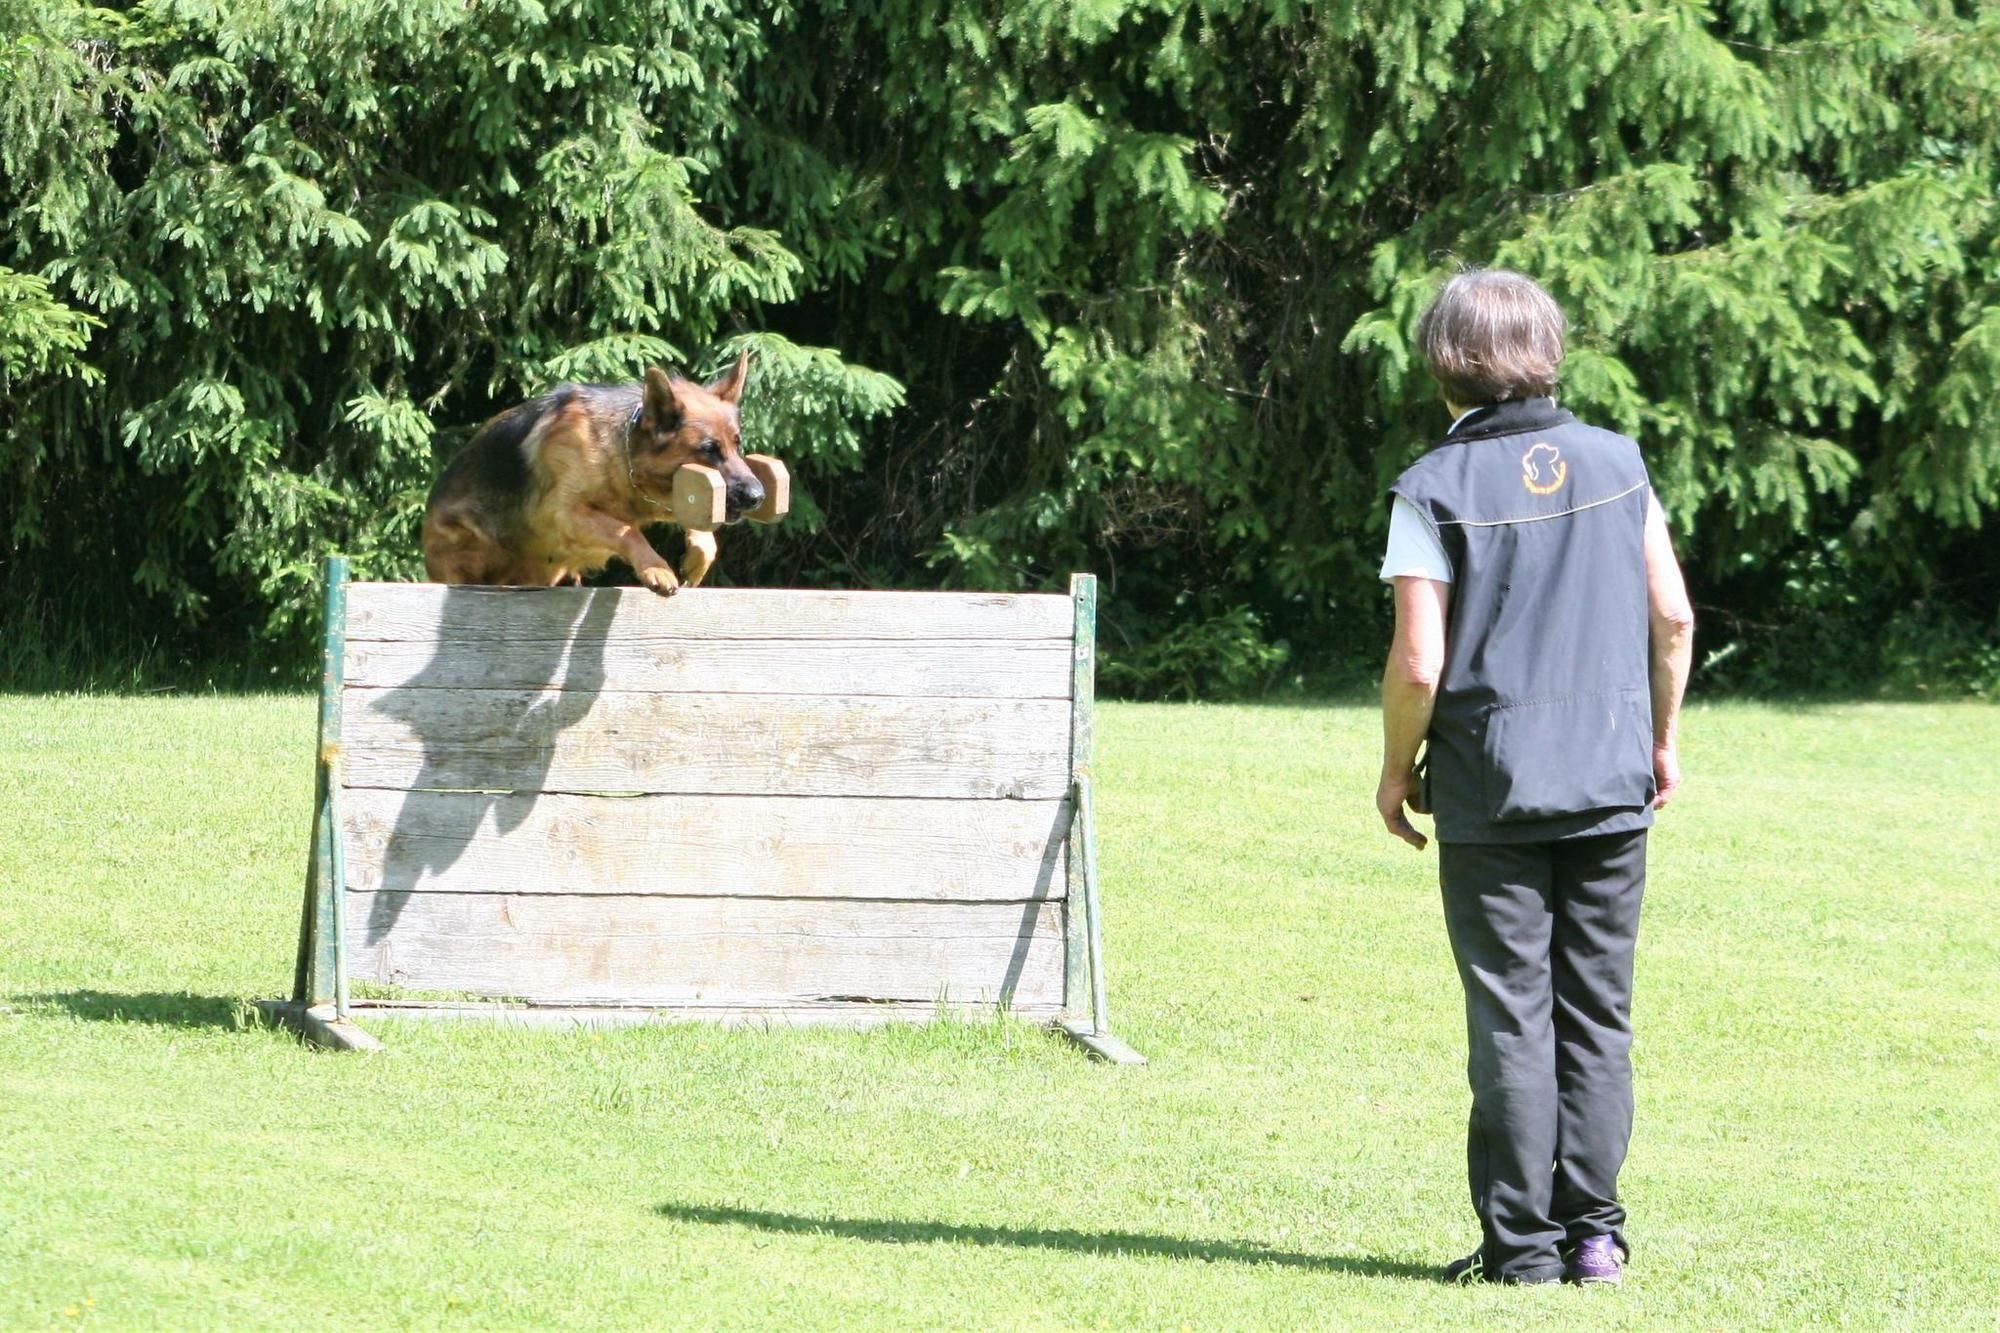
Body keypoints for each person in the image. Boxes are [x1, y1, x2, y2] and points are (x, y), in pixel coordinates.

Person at [1374, 269, 1695, 1286]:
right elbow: (1673, 619)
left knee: (1512, 1015)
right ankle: (1594, 1240)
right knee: (1597, 1014)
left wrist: (1393, 770)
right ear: (1547, 351)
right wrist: (1659, 738)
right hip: (1608, 778)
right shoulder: (1617, 461)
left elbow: (1418, 663)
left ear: (1442, 364)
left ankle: (1519, 1252)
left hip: (1490, 787)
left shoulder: (1428, 484)